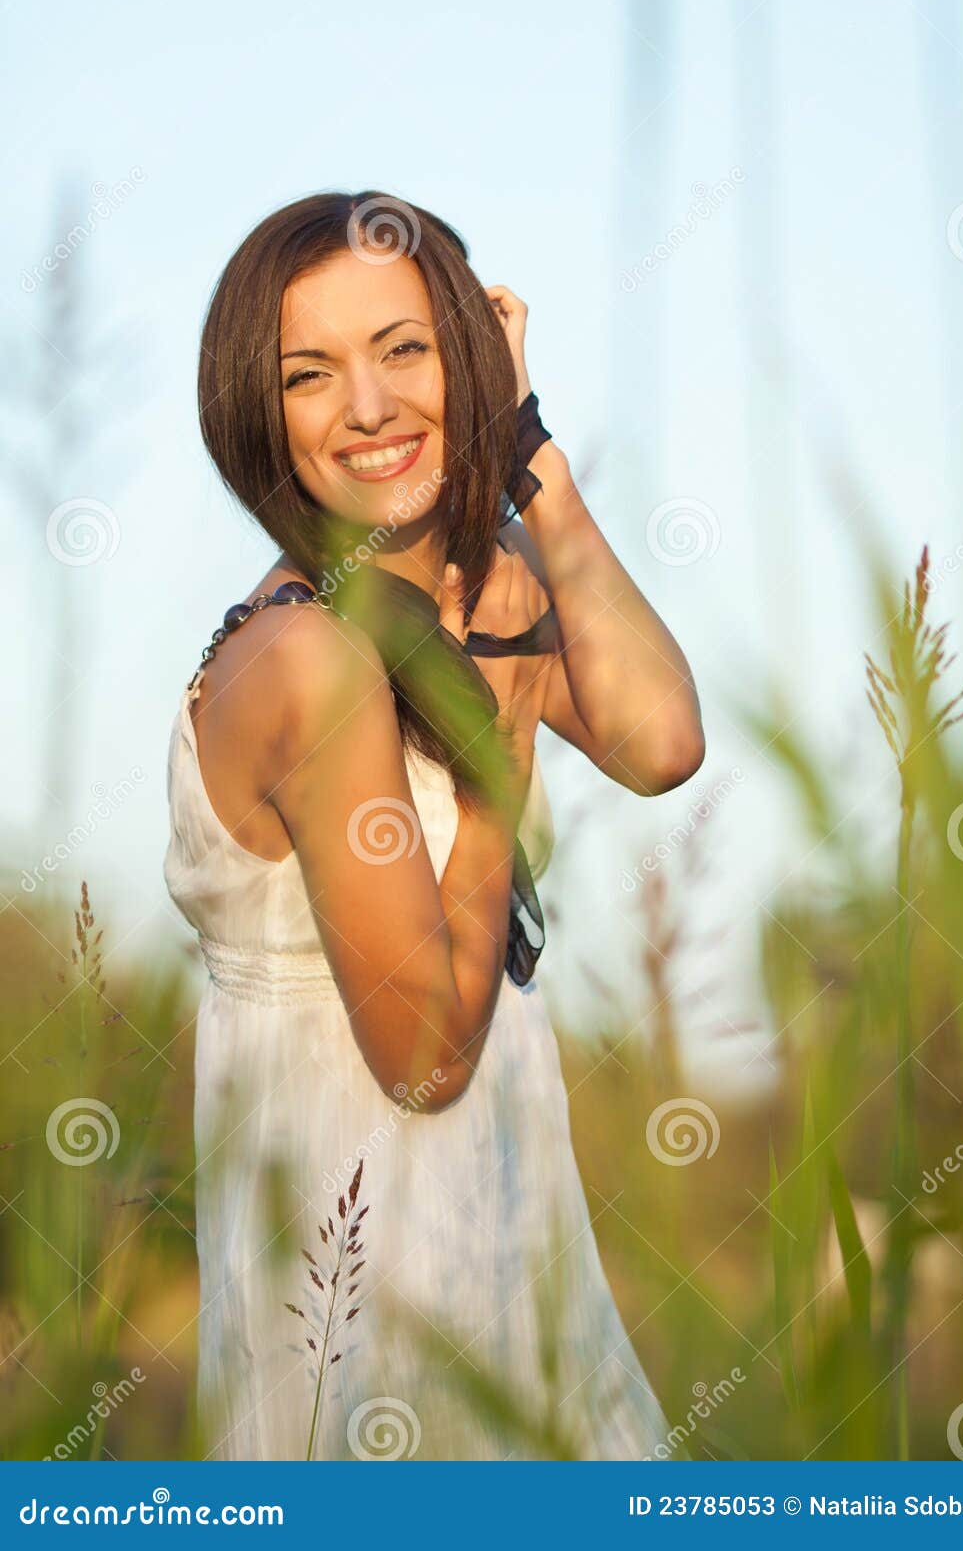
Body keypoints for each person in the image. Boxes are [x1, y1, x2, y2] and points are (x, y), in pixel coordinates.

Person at [164, 191, 705, 1459]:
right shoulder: (308, 655)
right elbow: (421, 1058)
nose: (368, 407)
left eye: (405, 349)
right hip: (374, 1278)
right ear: (260, 409)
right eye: (310, 372)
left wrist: (536, 469)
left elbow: (661, 744)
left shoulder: (461, 596)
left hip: (504, 1239)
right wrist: (499, 760)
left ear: (468, 355)